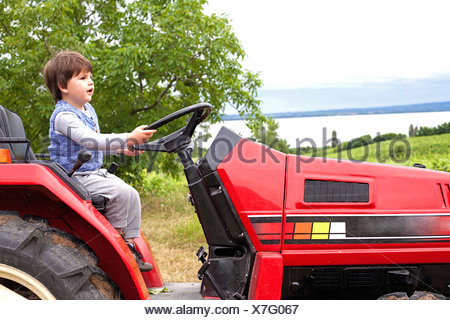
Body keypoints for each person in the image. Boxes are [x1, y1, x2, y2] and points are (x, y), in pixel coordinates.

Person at [43, 50, 155, 272]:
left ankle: (129, 244)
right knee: (121, 194)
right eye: (82, 78)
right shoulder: (64, 116)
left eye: (91, 77)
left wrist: (122, 148)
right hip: (73, 176)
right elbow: (90, 140)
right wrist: (128, 136)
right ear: (63, 86)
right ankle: (113, 248)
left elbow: (93, 145)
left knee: (130, 193)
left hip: (92, 173)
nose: (90, 82)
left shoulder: (87, 110)